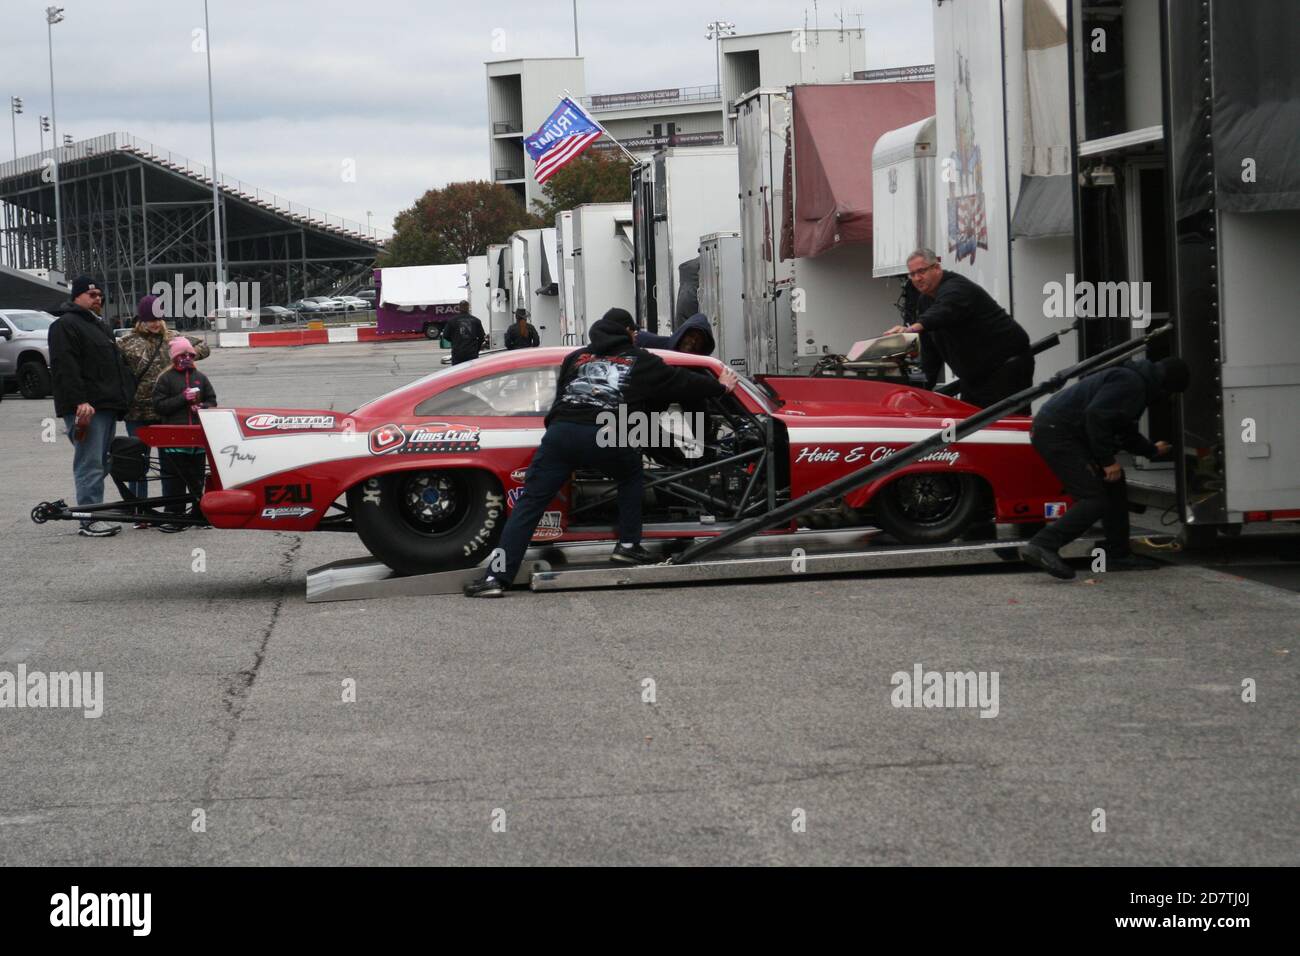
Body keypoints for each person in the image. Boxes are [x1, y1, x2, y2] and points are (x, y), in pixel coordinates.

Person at [464, 308, 738, 598]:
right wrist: (720, 388)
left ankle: (495, 577)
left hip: (562, 432)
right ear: (631, 332)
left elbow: (560, 397)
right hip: (607, 432)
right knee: (631, 475)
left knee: (529, 504)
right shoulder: (641, 360)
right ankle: (628, 547)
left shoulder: (575, 358)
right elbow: (683, 383)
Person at [1020, 356, 1191, 580]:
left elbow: (1122, 428)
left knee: (1114, 487)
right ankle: (1043, 545)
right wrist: (1107, 461)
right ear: (1166, 384)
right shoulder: (1132, 383)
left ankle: (1116, 554)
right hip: (1058, 434)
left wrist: (1150, 451)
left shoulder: (1135, 381)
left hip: (1063, 431)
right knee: (1093, 499)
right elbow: (1096, 416)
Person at [886, 247, 1034, 408]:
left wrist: (910, 330)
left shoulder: (957, 287)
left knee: (1005, 426)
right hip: (974, 377)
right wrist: (919, 392)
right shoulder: (925, 301)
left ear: (936, 268)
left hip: (1005, 368)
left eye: (921, 271)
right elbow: (930, 354)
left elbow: (942, 311)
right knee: (972, 426)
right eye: (912, 274)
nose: (917, 278)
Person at [48, 276, 133, 537]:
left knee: (102, 461)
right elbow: (66, 368)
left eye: (100, 295)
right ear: (77, 296)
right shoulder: (65, 325)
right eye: (92, 294)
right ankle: (89, 519)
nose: (98, 299)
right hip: (86, 409)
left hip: (106, 406)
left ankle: (93, 509)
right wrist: (79, 402)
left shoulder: (100, 326)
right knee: (90, 463)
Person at [117, 294, 211, 512]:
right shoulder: (126, 343)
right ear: (140, 319)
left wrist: (187, 354)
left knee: (170, 463)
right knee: (138, 463)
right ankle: (141, 509)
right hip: (137, 412)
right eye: (150, 319)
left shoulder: (173, 337)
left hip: (168, 410)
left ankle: (172, 507)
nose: (155, 323)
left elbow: (204, 347)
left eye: (158, 318)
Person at [151, 337, 218, 532]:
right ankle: (175, 516)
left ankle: (199, 514)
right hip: (174, 438)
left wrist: (203, 407)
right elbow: (159, 406)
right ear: (174, 357)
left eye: (190, 355)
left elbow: (213, 401)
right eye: (182, 355)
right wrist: (182, 398)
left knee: (197, 478)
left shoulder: (201, 377)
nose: (187, 357)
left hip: (196, 438)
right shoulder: (166, 378)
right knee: (174, 479)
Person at [634, 312, 715, 355]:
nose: (693, 342)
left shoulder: (701, 372)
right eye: (691, 336)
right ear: (682, 334)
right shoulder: (654, 345)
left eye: (698, 341)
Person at [443, 300, 486, 364]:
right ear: (468, 308)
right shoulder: (476, 320)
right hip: (471, 353)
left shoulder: (452, 321)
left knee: (458, 371)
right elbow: (482, 337)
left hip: (457, 353)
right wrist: (477, 348)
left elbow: (445, 335)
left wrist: (455, 341)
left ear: (459, 308)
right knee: (471, 371)